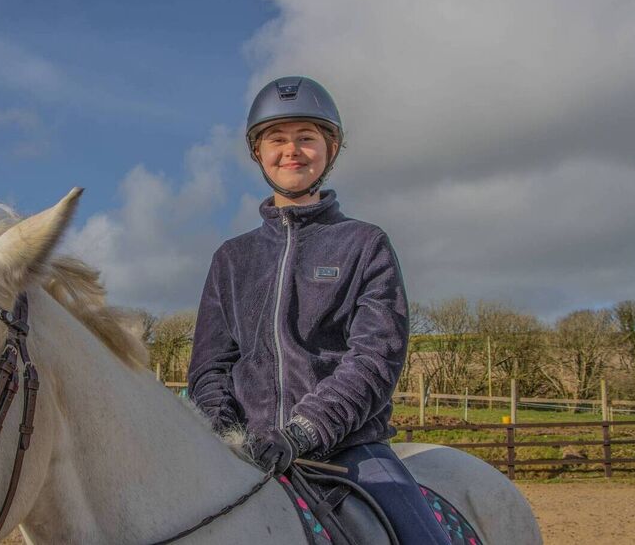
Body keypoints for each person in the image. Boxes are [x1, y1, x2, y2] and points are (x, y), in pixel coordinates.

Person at [187, 77, 450, 544]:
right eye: (277, 139)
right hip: (245, 453)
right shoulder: (231, 259)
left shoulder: (365, 244)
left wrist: (304, 432)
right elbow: (210, 365)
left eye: (306, 137)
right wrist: (226, 434)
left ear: (330, 149)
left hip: (348, 449)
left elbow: (374, 358)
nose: (292, 150)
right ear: (258, 152)